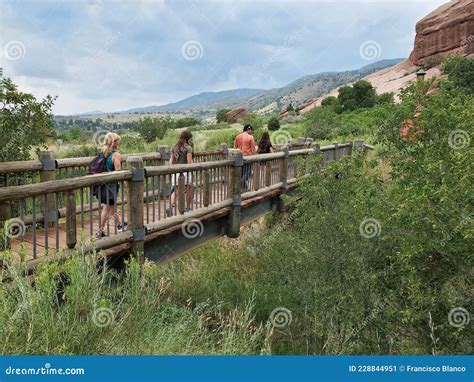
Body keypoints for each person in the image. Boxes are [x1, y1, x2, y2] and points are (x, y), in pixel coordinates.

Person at [96, 132, 126, 239]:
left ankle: (119, 224)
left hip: (102, 183)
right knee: (106, 207)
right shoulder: (116, 155)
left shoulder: (102, 152)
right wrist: (125, 181)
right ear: (114, 142)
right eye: (117, 141)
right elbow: (118, 171)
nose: (118, 143)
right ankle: (100, 230)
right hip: (111, 184)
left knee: (111, 206)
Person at [166, 130, 194, 216]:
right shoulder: (188, 148)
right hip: (185, 171)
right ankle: (187, 207)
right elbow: (189, 162)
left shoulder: (175, 147)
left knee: (176, 189)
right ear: (188, 138)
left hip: (177, 171)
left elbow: (172, 161)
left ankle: (169, 206)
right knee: (189, 188)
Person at [234, 124, 256, 190]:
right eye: (251, 130)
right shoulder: (250, 137)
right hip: (247, 157)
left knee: (242, 172)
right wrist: (255, 157)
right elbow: (253, 149)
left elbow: (235, 148)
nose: (251, 131)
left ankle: (242, 185)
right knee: (248, 172)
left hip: (239, 157)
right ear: (248, 129)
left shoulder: (237, 137)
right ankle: (240, 183)